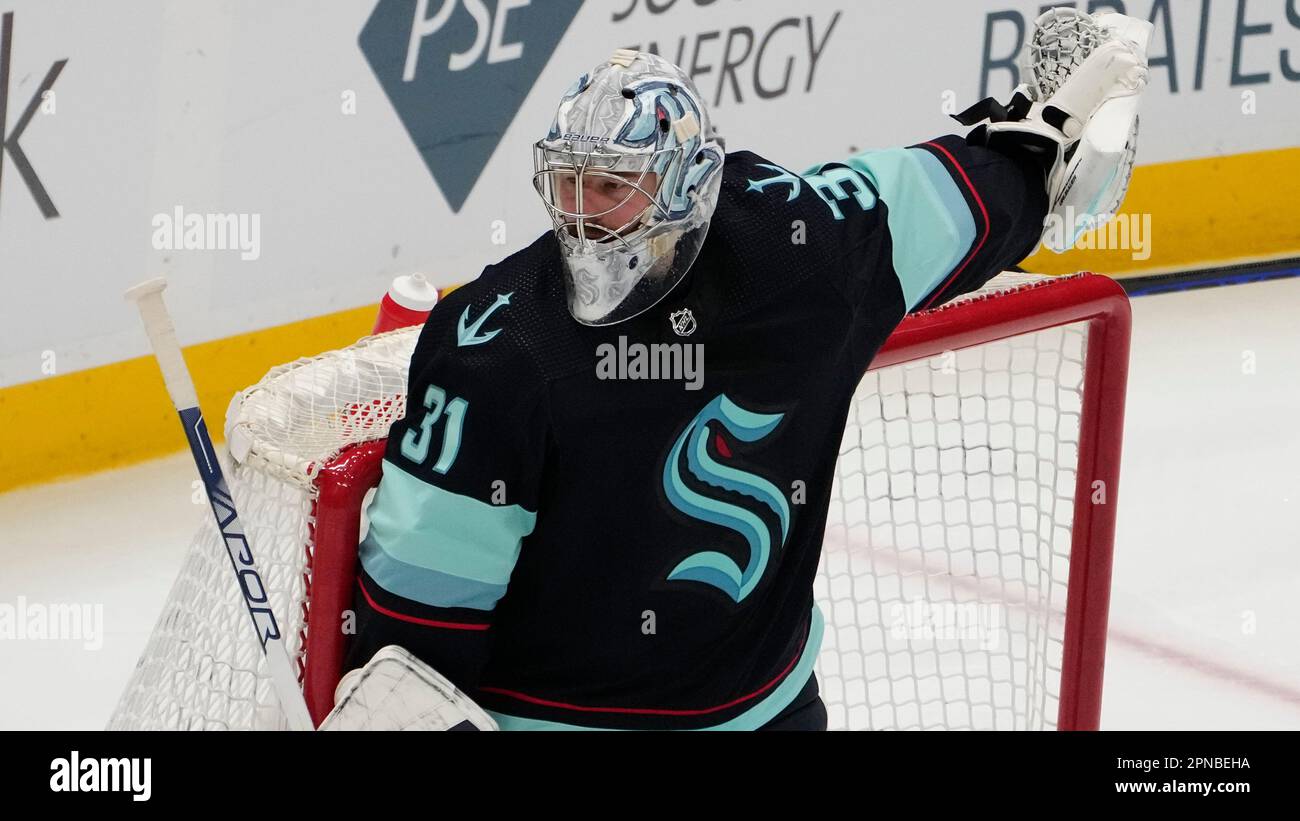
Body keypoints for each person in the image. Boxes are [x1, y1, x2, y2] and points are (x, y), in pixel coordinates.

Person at [343, 11, 1151, 730]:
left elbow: (952, 198)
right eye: (570, 181)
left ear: (691, 184)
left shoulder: (802, 247)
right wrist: (1038, 164)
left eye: (613, 186)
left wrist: (1036, 161)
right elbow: (416, 630)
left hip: (763, 710)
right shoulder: (501, 346)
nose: (584, 213)